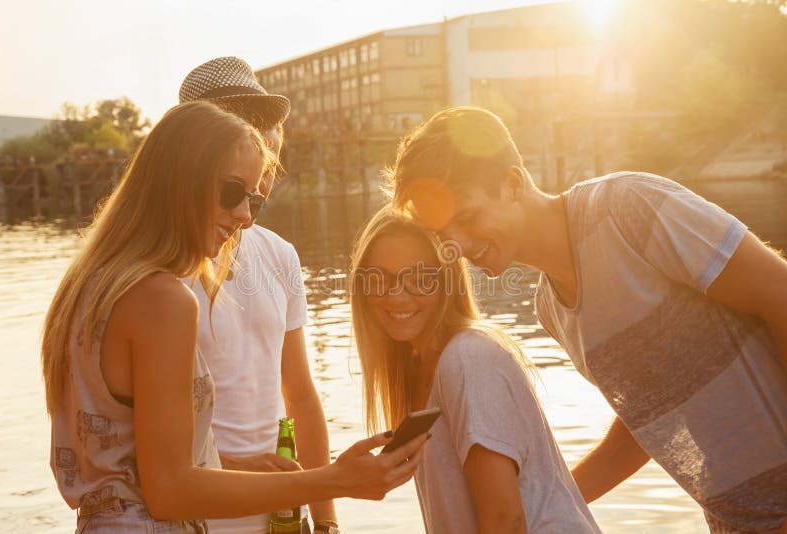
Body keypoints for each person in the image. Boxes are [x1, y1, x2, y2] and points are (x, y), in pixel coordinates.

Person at [386, 106, 787, 533]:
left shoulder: (625, 209)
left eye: (467, 218)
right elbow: (649, 422)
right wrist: (545, 498)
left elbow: (778, 291)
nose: (459, 245)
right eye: (445, 232)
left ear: (513, 183)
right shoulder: (552, 310)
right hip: (737, 521)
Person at [42, 101, 428, 532]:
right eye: (231, 192)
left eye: (253, 200)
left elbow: (125, 460)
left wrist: (239, 465)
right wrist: (335, 480)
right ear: (181, 180)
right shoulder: (164, 300)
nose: (244, 215)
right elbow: (169, 491)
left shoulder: (90, 286)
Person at [349, 205, 602, 533]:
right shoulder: (417, 368)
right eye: (380, 279)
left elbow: (504, 522)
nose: (397, 296)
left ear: (447, 281)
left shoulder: (467, 358)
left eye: (420, 278)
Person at [178, 56, 337, 534]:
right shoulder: (166, 269)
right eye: (256, 154)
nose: (265, 177)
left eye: (273, 156)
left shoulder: (280, 255)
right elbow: (143, 439)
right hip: (198, 515)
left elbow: (301, 396)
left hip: (281, 515)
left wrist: (325, 520)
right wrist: (239, 469)